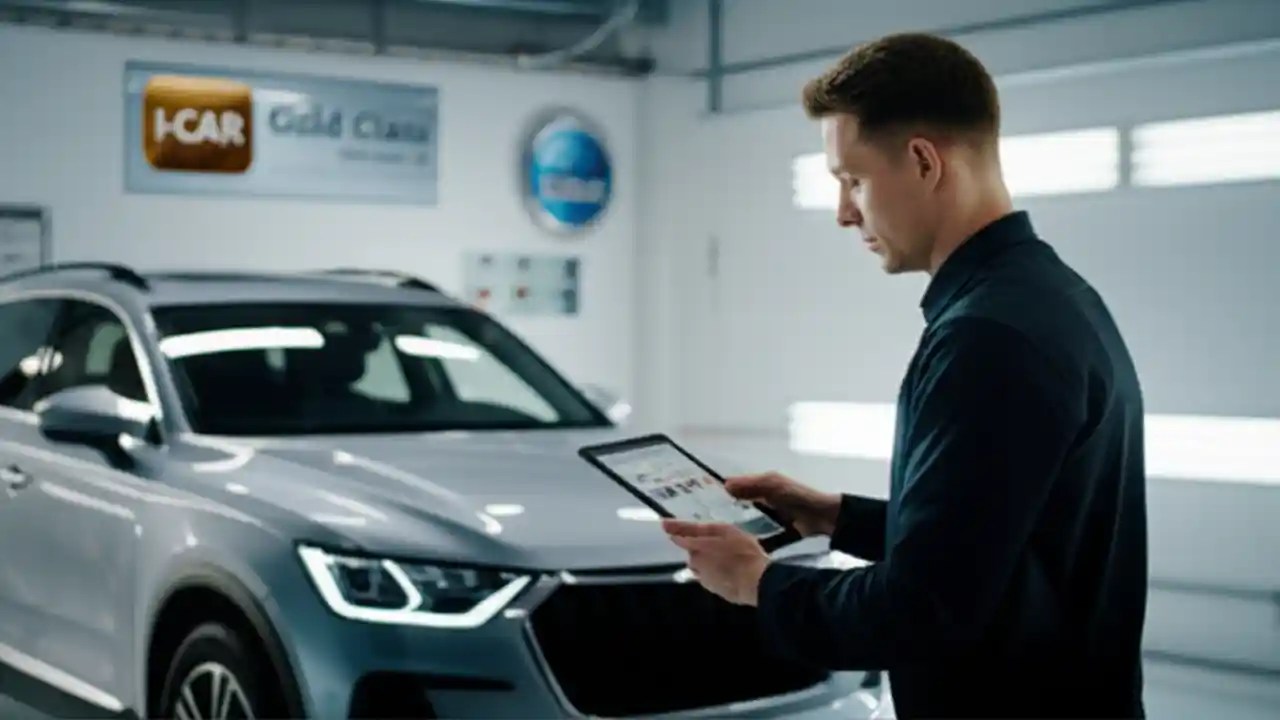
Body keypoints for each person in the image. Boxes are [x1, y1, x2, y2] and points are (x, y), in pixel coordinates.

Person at [661, 32, 1148, 719]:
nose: (844, 213)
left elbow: (921, 610)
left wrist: (758, 583)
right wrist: (835, 517)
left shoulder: (987, 338)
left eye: (852, 180)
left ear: (922, 161)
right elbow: (998, 542)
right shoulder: (1052, 297)